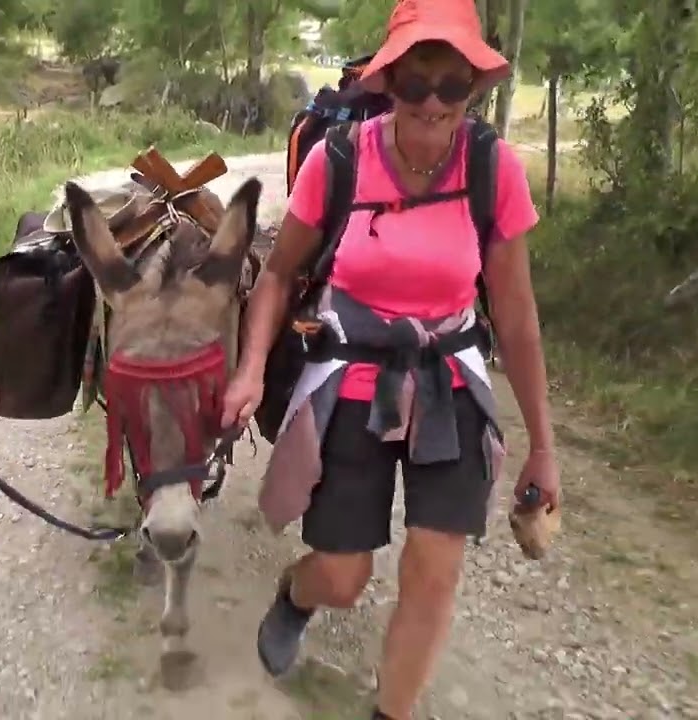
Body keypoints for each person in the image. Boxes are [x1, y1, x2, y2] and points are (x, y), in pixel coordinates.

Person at [221, 1, 560, 718]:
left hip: (449, 380)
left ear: (474, 85)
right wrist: (250, 370)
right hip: (353, 372)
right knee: (343, 578)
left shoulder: (493, 168)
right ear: (389, 82)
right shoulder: (339, 160)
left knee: (435, 570)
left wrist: (544, 447)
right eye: (416, 82)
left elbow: (519, 317)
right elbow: (278, 275)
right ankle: (296, 593)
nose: (434, 102)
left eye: (452, 84)